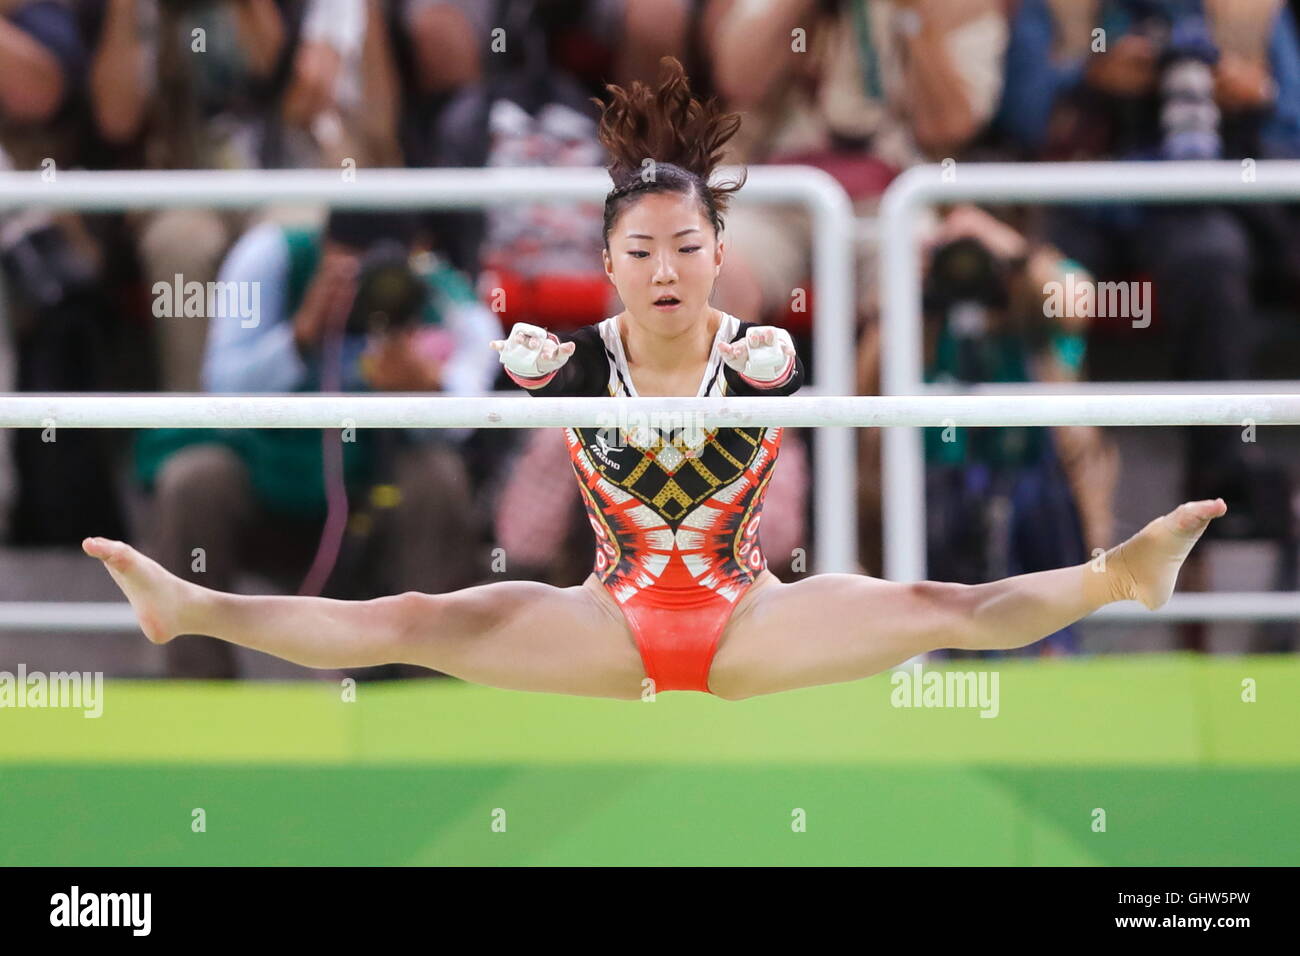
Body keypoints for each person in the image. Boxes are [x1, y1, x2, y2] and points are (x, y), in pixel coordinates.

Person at [83, 57, 1227, 701]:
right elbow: (451, 363)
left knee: (945, 607)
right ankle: (189, 606)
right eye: (640, 252)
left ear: (720, 256)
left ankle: (1118, 573)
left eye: (687, 247)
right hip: (607, 616)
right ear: (607, 267)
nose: (666, 269)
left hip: (744, 615)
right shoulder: (562, 363)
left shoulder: (762, 356)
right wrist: (469, 360)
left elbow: (773, 402)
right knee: (416, 617)